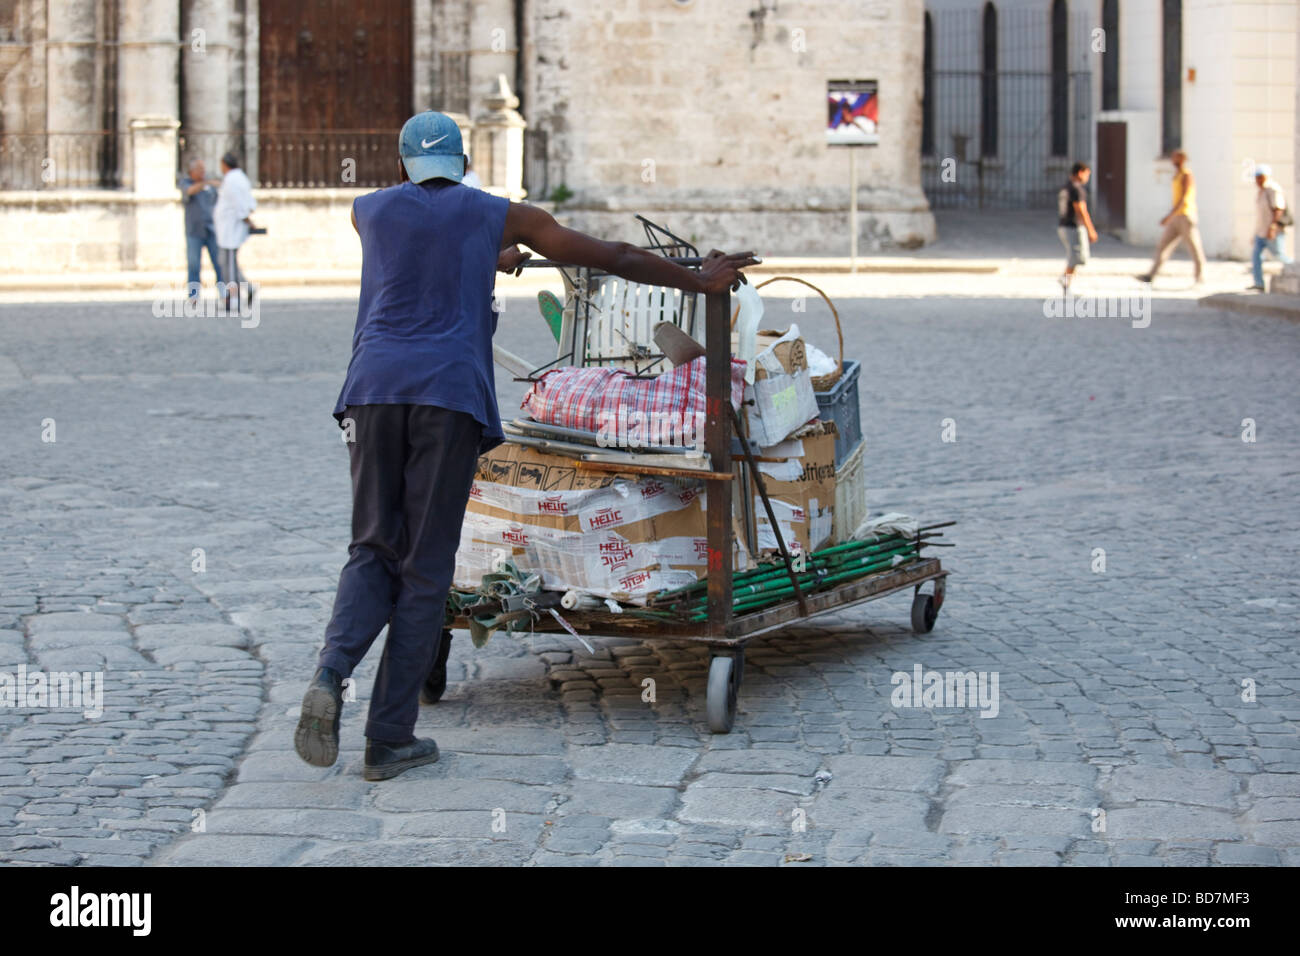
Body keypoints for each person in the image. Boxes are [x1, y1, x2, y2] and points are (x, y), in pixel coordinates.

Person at [293, 110, 757, 781]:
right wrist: (699, 280)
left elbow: (424, 248)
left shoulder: (369, 211)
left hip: (370, 395)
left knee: (371, 549)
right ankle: (389, 739)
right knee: (425, 568)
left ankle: (330, 676)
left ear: (401, 168)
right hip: (445, 397)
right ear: (463, 165)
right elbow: (615, 257)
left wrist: (490, 255)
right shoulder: (502, 213)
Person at [1138, 149, 1206, 286]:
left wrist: (1169, 216)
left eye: (1175, 158)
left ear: (1181, 159)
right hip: (1176, 216)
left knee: (1194, 247)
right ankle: (1151, 275)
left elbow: (1184, 198)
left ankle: (1200, 277)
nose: (1172, 160)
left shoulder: (1186, 175)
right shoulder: (1176, 175)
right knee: (1163, 246)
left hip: (1186, 215)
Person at [213, 152, 257, 308]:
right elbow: (249, 202)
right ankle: (248, 288)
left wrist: (247, 219)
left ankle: (234, 300)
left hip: (231, 230)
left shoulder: (233, 180)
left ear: (225, 164)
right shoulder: (238, 178)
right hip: (227, 230)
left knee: (230, 268)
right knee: (225, 263)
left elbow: (240, 204)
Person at [179, 158, 224, 297]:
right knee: (194, 265)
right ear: (192, 171)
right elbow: (189, 191)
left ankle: (224, 294)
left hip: (211, 229)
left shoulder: (209, 186)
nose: (203, 172)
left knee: (219, 264)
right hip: (194, 231)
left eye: (203, 170)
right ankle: (193, 295)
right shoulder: (186, 183)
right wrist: (205, 183)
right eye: (200, 170)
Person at [1249, 164, 1293, 292]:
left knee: (1280, 256)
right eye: (1256, 177)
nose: (1258, 180)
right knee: (1256, 256)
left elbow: (1278, 209)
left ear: (1266, 177)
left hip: (1273, 231)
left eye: (1260, 177)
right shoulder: (1261, 191)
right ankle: (1259, 283)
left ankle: (1296, 269)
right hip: (1261, 231)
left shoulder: (1273, 189)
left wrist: (1273, 227)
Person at [1057, 162, 1098, 290]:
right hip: (1073, 226)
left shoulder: (1066, 187)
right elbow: (1081, 210)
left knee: (1076, 257)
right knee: (1076, 256)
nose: (1087, 178)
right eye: (1087, 174)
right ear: (1080, 172)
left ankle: (1066, 281)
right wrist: (1091, 229)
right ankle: (1065, 281)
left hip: (1064, 225)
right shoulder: (1077, 189)